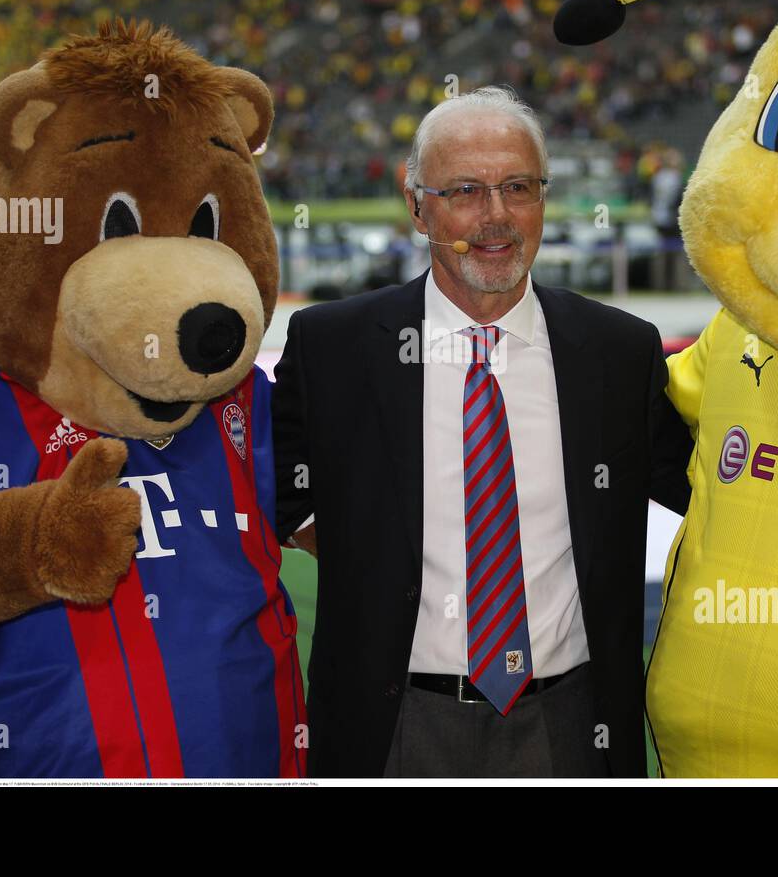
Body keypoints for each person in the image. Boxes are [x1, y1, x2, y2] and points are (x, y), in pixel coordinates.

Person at [272, 86, 693, 777]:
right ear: (416, 207)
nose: (495, 216)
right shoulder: (335, 347)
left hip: (573, 722)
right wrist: (357, 552)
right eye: (465, 190)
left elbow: (709, 492)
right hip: (397, 723)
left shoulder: (619, 351)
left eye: (517, 187)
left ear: (543, 199)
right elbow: (275, 487)